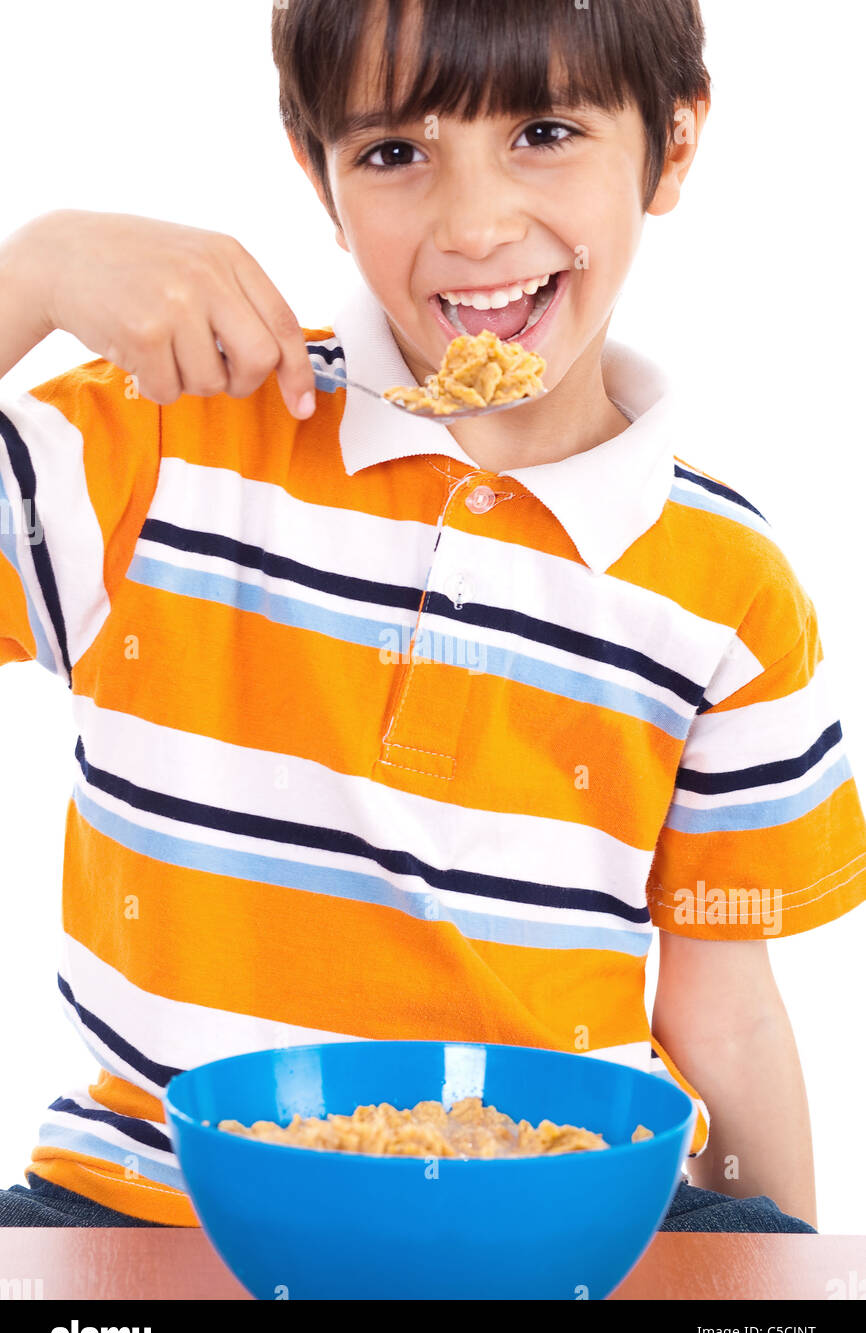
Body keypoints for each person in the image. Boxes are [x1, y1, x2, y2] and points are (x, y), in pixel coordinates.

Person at [0, 0, 861, 1238]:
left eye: (546, 130)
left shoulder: (725, 585)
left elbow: (722, 1013)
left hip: (565, 1224)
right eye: (394, 153)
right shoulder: (158, 440)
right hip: (154, 1209)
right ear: (317, 173)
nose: (473, 227)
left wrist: (781, 1302)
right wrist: (27, 273)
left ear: (674, 143)